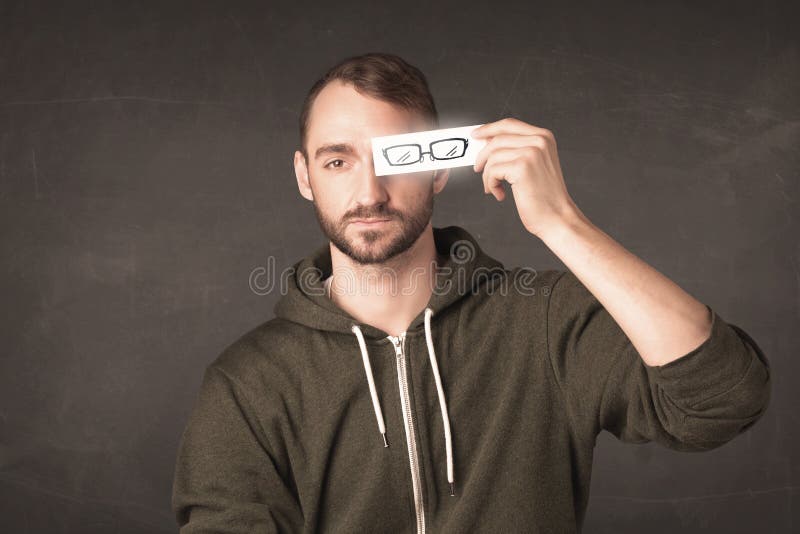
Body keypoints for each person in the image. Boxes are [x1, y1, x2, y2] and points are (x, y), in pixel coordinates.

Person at [171, 52, 772, 533]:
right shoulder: (247, 383)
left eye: (396, 158)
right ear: (304, 176)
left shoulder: (547, 322)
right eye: (337, 162)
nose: (370, 192)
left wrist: (561, 222)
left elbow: (722, 401)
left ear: (439, 167)